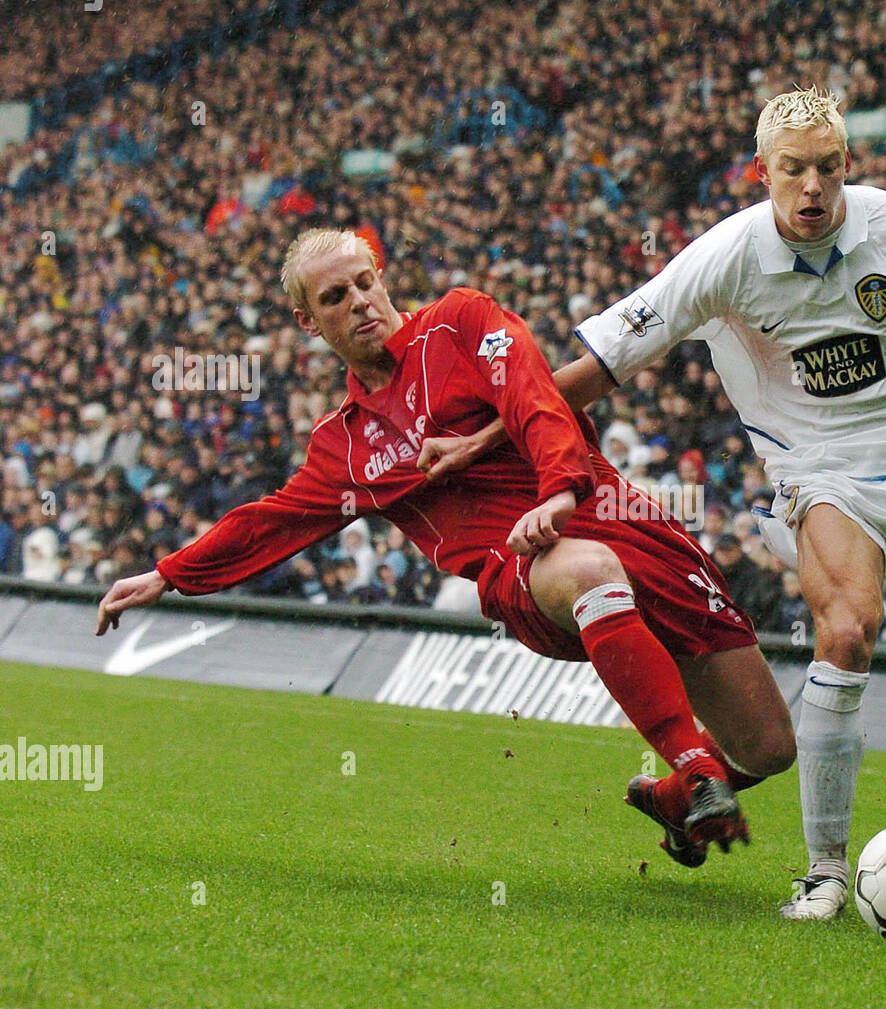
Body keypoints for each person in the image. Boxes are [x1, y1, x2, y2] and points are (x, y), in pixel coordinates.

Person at [419, 88, 886, 920]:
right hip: (820, 469)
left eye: (828, 167)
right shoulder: (723, 257)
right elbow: (598, 371)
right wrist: (484, 440)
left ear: (847, 166)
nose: (813, 187)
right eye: (794, 170)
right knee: (848, 628)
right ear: (764, 172)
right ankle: (825, 871)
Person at [96, 228, 796, 868]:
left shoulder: (462, 322)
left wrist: (558, 488)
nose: (361, 302)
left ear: (382, 275)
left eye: (366, 281)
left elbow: (531, 395)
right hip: (523, 569)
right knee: (587, 570)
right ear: (308, 322)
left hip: (621, 522)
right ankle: (697, 770)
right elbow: (270, 522)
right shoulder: (345, 445)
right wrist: (168, 575)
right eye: (336, 297)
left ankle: (674, 798)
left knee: (769, 748)